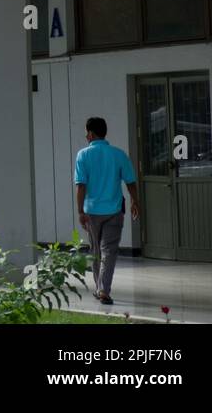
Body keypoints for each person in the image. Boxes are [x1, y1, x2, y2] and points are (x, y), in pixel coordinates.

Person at [73, 117, 140, 305]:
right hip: (114, 211)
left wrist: (80, 211)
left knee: (96, 251)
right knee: (109, 251)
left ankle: (100, 288)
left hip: (92, 212)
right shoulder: (118, 154)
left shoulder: (83, 155)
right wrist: (135, 201)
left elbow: (81, 186)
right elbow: (130, 181)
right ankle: (103, 289)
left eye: (86, 132)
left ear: (91, 134)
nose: (86, 135)